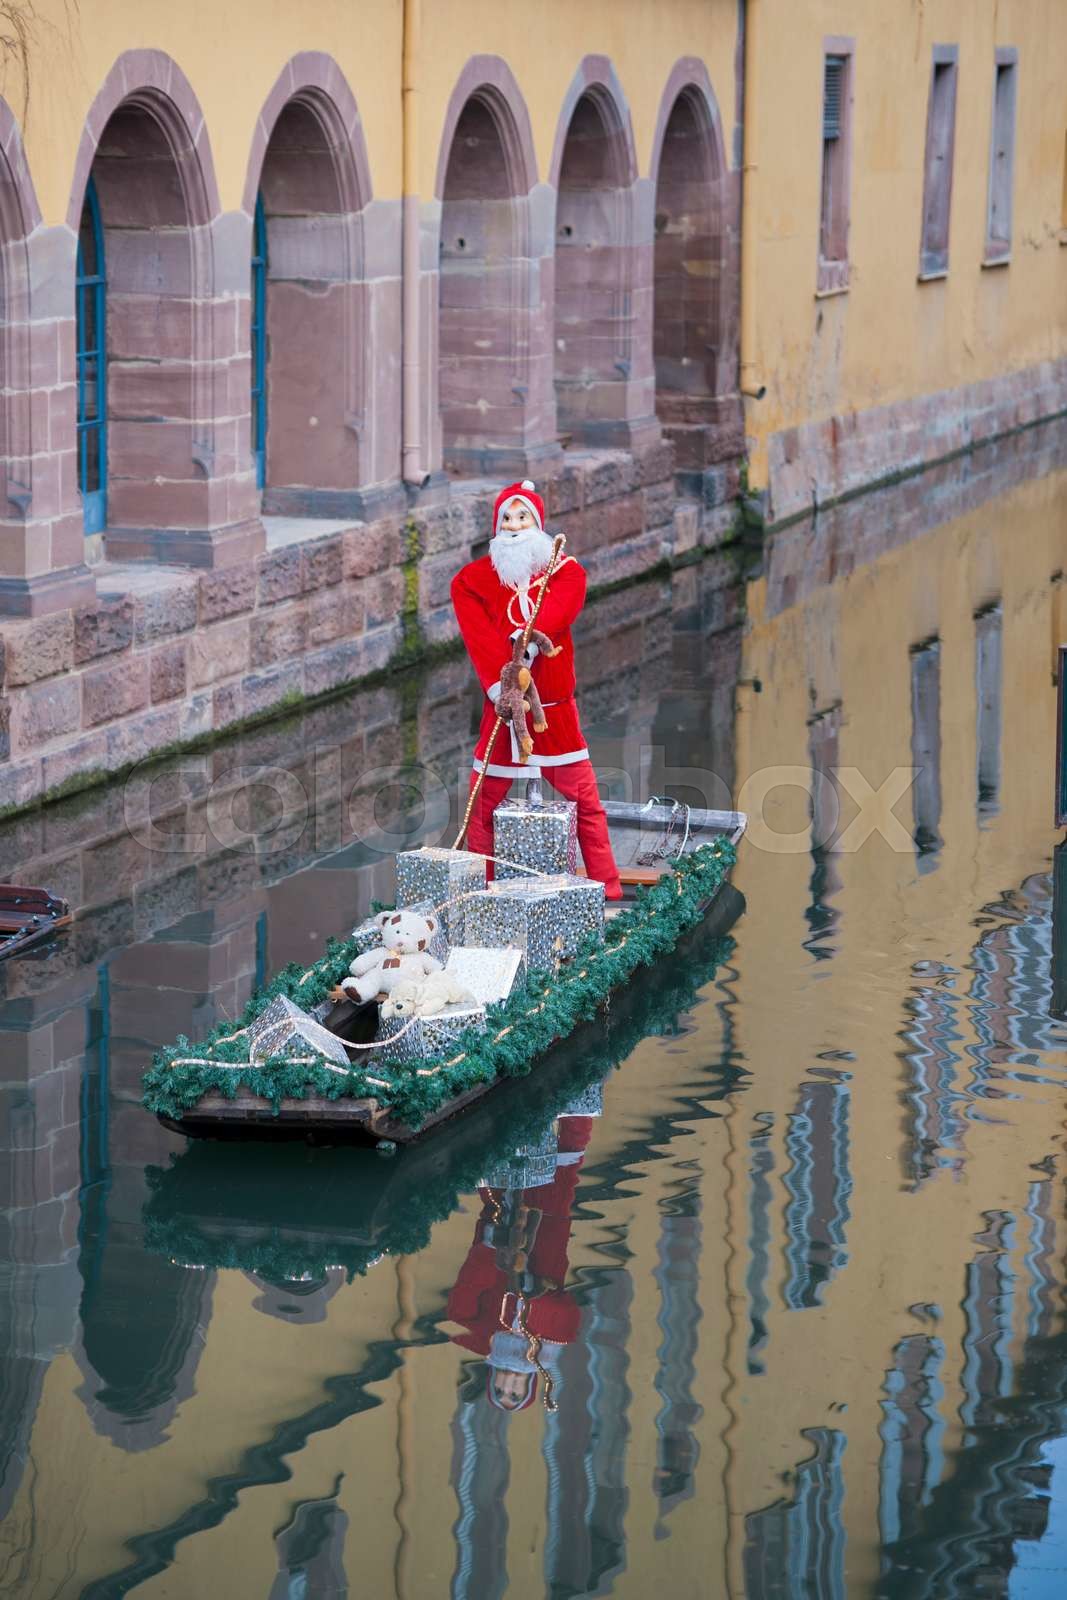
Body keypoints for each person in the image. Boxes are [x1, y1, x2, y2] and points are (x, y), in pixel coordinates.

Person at [450, 480, 623, 900]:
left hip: (554, 712)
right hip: (504, 710)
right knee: (480, 805)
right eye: (506, 518)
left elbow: (559, 609)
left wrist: (527, 636)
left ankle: (608, 889)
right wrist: (502, 684)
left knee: (585, 803)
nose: (513, 525)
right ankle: (483, 891)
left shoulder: (564, 572)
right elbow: (479, 636)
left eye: (522, 517)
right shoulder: (473, 581)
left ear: (537, 523)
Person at [446, 1115, 593, 1413]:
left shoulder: (470, 1324)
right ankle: (578, 1096)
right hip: (549, 1223)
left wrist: (499, 1249)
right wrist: (530, 1304)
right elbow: (566, 1310)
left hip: (500, 1217)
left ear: (491, 1380)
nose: (508, 1384)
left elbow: (472, 1277)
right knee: (567, 1158)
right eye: (515, 1392)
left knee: (502, 1152)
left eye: (500, 1390)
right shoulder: (555, 1340)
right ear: (530, 1386)